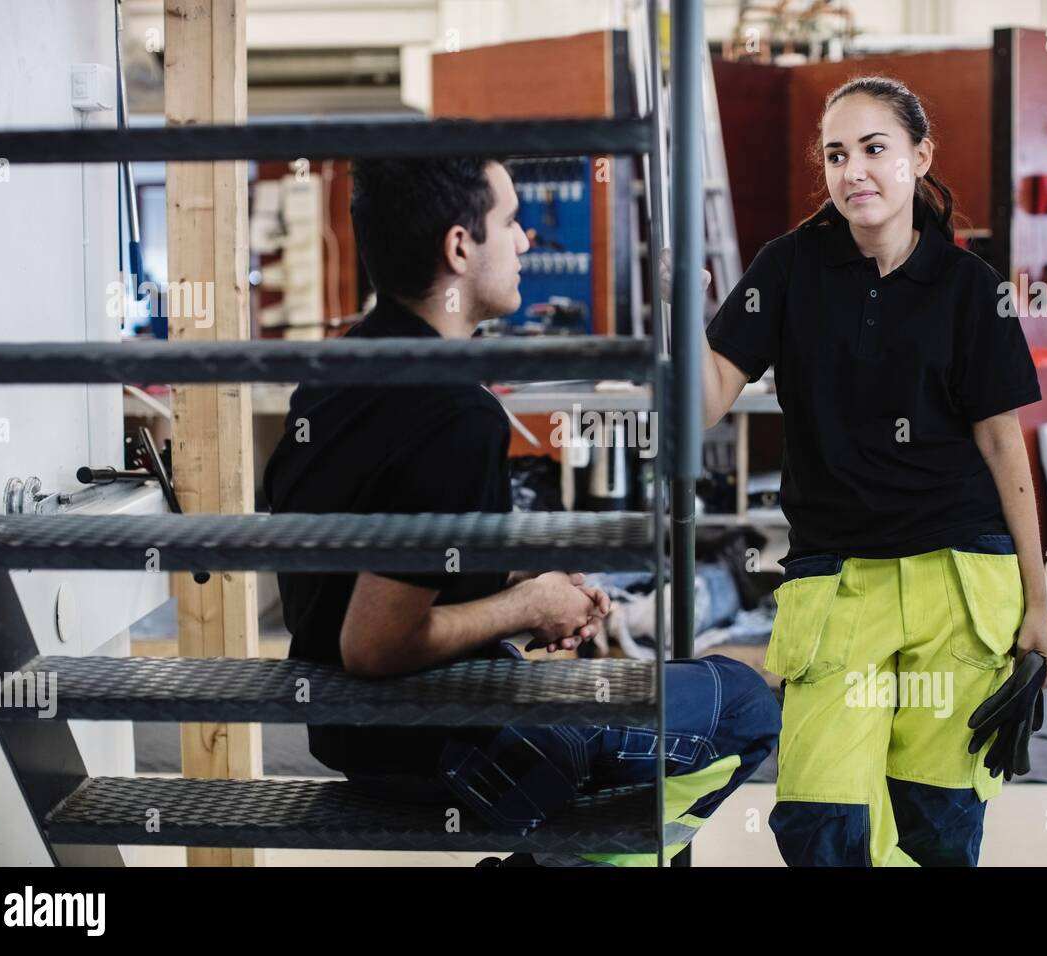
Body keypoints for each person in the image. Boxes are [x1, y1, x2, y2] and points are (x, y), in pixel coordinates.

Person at [263, 155, 780, 866]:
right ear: (458, 247)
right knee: (745, 703)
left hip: (351, 727)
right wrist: (526, 605)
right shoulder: (453, 415)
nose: (527, 242)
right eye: (509, 222)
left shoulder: (337, 372)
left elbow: (364, 577)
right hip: (440, 741)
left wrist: (531, 589)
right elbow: (375, 644)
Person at [688, 75, 1047, 866]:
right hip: (836, 581)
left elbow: (1005, 448)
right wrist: (682, 311)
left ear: (919, 157)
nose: (852, 170)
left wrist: (1040, 604)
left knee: (937, 822)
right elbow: (709, 400)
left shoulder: (971, 288)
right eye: (835, 154)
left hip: (961, 579)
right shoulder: (787, 268)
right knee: (821, 820)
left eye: (874, 148)